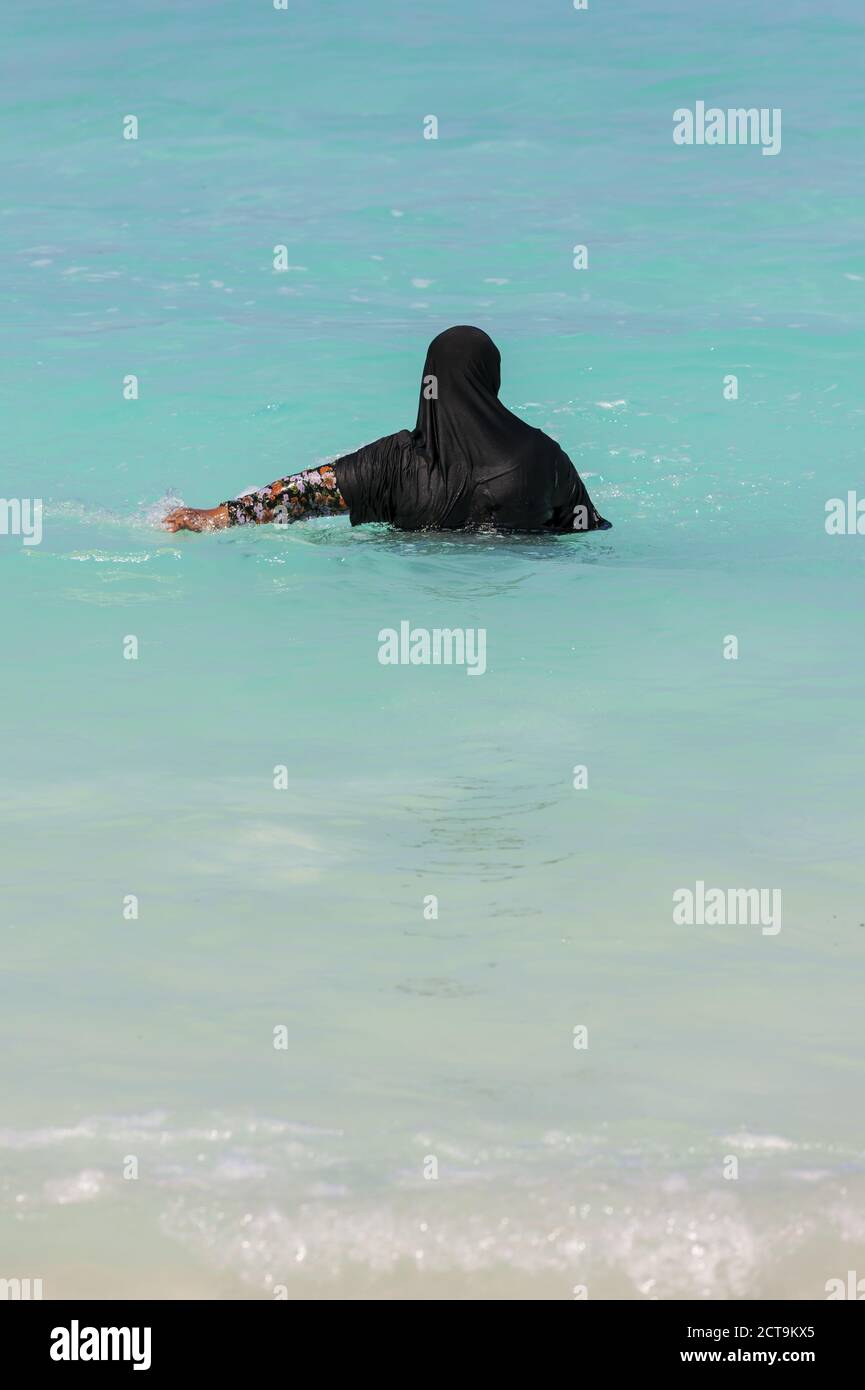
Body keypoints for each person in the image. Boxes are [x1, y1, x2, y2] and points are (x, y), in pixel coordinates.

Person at [163, 325, 610, 535]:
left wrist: (215, 517)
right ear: (490, 378)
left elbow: (302, 495)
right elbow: (586, 529)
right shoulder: (544, 456)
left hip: (418, 594)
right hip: (520, 602)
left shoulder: (395, 462)